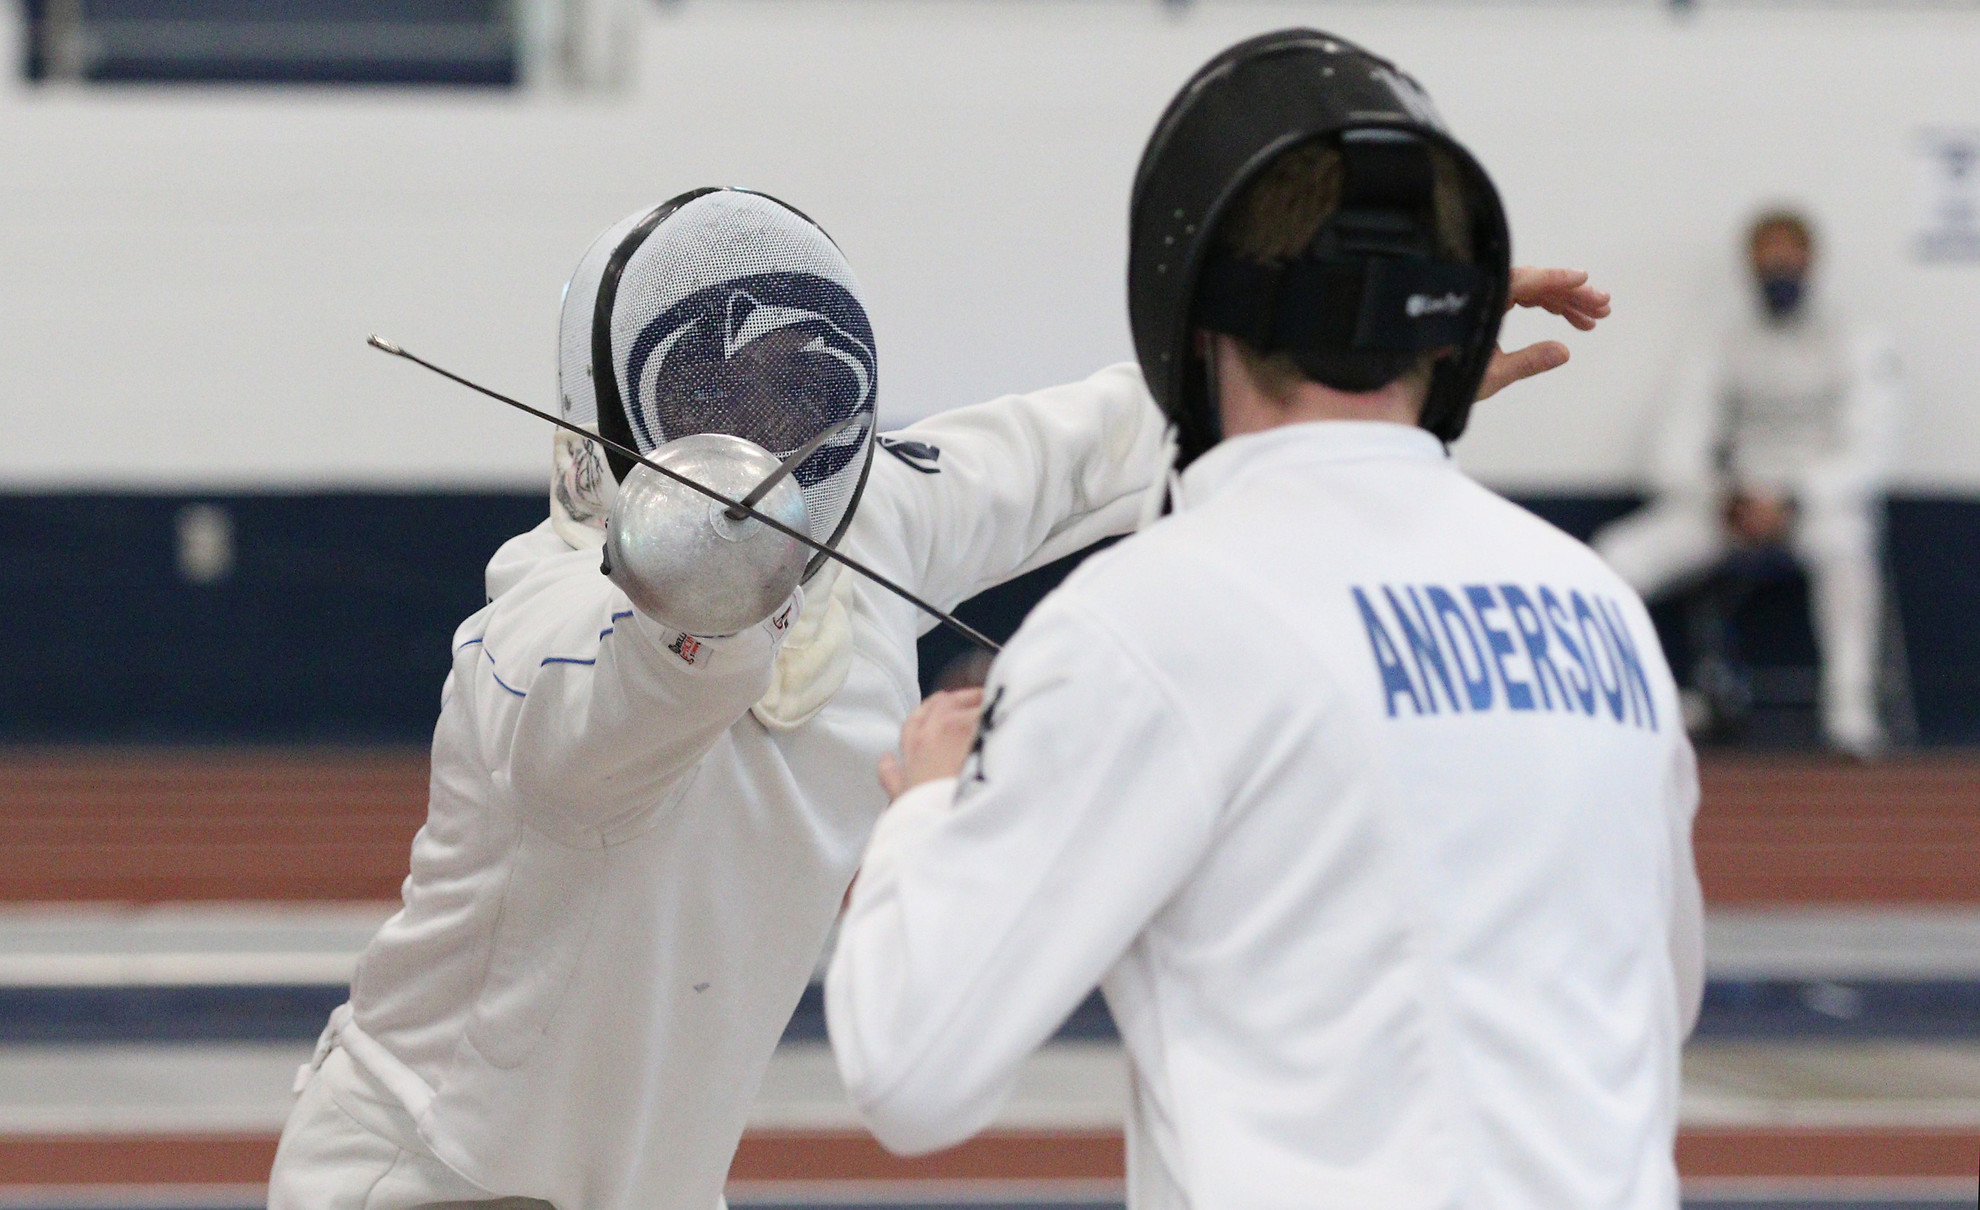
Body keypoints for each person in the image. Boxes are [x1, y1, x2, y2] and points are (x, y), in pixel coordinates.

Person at [826, 31, 1704, 1210]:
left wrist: (930, 809)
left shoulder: (1148, 619)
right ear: (1447, 325)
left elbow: (910, 1066)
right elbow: (1659, 995)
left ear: (1187, 307)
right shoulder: (1597, 605)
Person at [268, 187, 1176, 1210]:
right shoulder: (535, 634)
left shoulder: (871, 525)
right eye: (716, 395)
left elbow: (1087, 450)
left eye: (797, 393)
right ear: (611, 411)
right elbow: (639, 682)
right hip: (434, 1179)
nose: (760, 434)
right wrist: (701, 591)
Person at [1593, 208, 1899, 756]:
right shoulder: (1721, 333)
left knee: (1849, 550)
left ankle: (1850, 710)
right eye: (1768, 257)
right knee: (1616, 558)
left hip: (1815, 502)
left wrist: (1796, 498)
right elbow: (1677, 437)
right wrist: (1726, 496)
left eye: (1790, 257)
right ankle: (1640, 701)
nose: (1779, 268)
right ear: (1750, 264)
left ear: (1811, 261)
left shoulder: (1856, 333)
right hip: (1733, 500)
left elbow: (1871, 447)